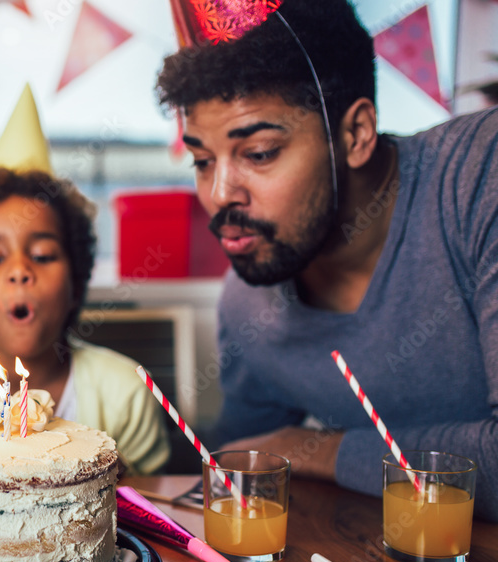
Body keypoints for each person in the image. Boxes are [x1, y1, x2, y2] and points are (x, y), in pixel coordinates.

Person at [156, 0, 498, 518]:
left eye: (259, 153)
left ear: (355, 133)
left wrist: (316, 448)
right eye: (203, 161)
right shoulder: (248, 304)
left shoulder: (477, 179)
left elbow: (280, 450)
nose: (220, 193)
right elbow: (242, 471)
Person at [0, 86, 169, 474]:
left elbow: (154, 513)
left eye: (42, 255)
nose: (19, 270)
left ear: (75, 284)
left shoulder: (124, 391)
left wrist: (119, 479)